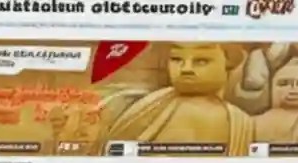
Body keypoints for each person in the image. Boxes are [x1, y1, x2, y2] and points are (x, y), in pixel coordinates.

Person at [90, 43, 253, 156]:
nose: (186, 69)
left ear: (228, 62)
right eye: (176, 59)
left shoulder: (240, 122)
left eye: (201, 61)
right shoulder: (147, 107)